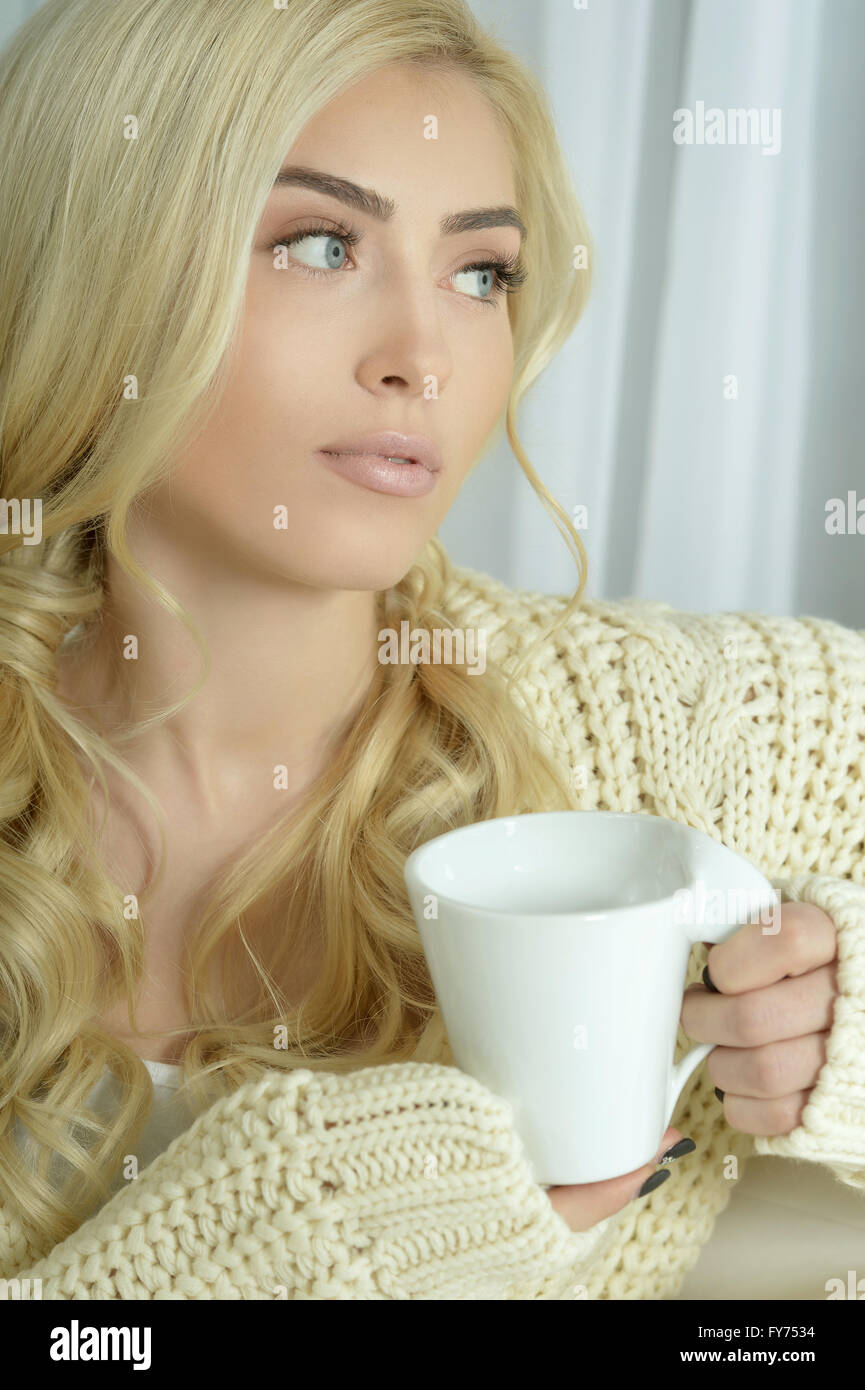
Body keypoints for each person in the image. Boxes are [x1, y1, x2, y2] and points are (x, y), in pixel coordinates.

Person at [0, 0, 862, 1301]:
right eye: (316, 243)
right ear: (102, 263)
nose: (424, 358)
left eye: (480, 274)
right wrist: (271, 1258)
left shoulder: (693, 728)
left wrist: (835, 1030)